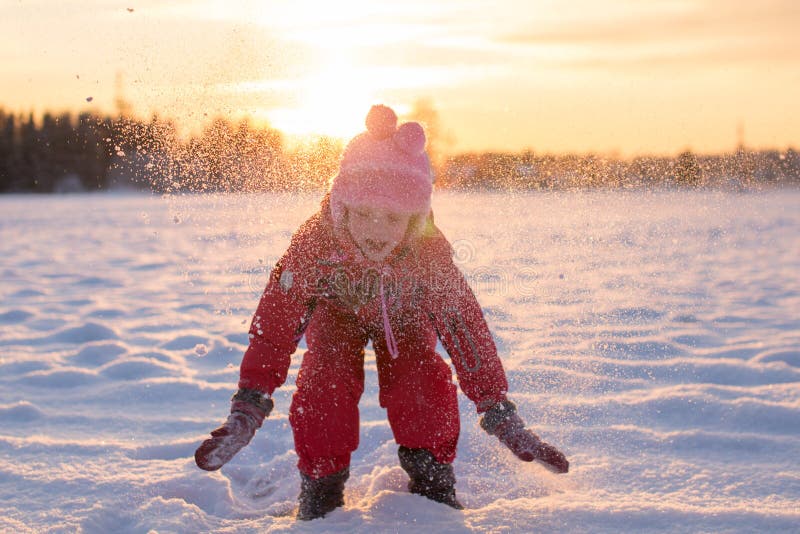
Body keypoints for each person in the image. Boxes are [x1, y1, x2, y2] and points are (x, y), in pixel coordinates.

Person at [194, 105, 569, 520]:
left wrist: (498, 410)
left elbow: (465, 330)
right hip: (337, 319)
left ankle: (433, 483)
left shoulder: (429, 256)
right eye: (365, 213)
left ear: (414, 218)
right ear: (343, 207)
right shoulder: (314, 247)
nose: (376, 229)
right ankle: (321, 489)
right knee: (325, 378)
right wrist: (248, 406)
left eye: (392, 217)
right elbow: (275, 328)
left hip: (406, 321)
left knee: (420, 376)